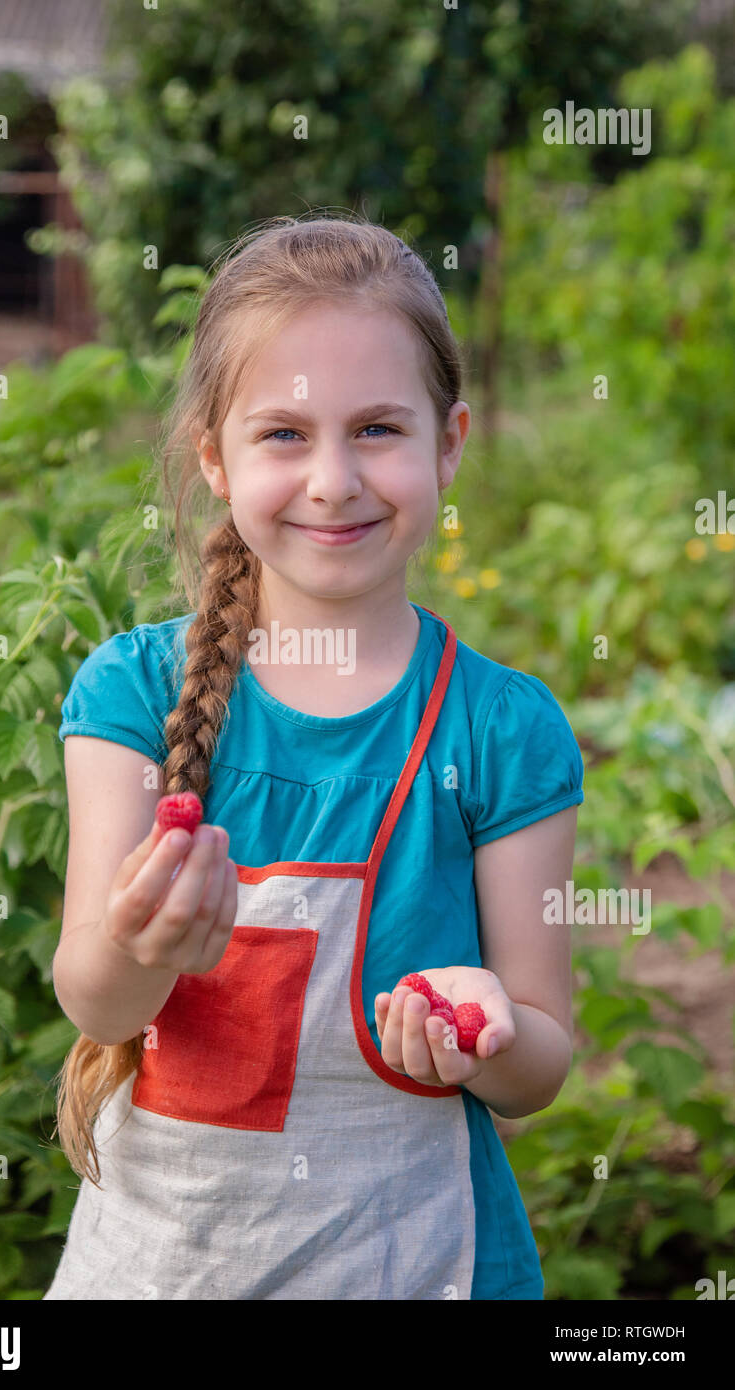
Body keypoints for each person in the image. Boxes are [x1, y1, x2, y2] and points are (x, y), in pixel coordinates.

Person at [44, 213, 583, 1301]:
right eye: (283, 434)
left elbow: (542, 1062)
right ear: (215, 456)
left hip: (419, 1259)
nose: (333, 479)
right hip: (167, 1260)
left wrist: (485, 1027)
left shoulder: (502, 731)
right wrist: (144, 945)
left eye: (377, 428)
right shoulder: (134, 695)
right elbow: (96, 1002)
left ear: (449, 441)